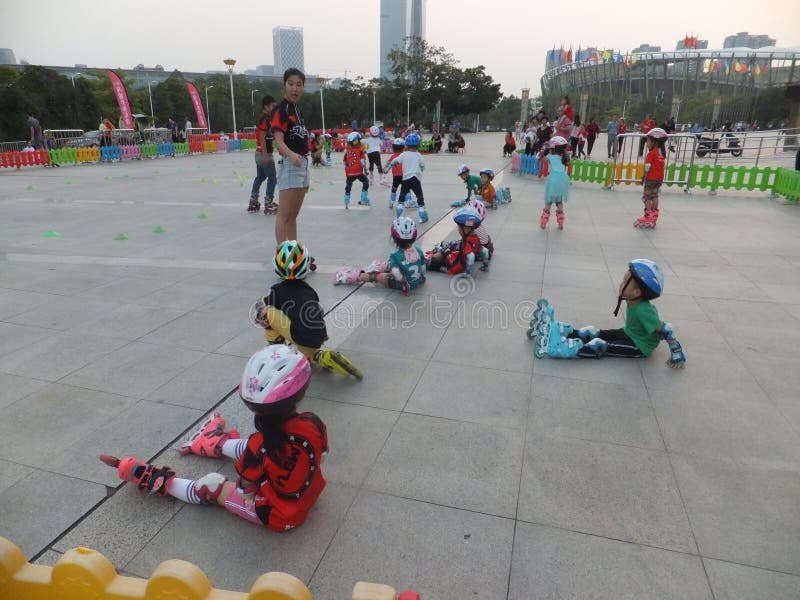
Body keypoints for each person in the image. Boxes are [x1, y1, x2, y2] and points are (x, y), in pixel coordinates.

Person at [100, 345, 329, 531]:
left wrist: (265, 478)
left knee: (212, 485)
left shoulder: (258, 445)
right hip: (310, 493)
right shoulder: (313, 422)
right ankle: (211, 441)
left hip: (277, 514)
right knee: (262, 449)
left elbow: (246, 491)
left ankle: (161, 481)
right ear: (301, 393)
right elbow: (322, 454)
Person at [527, 260, 686, 369]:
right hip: (630, 334)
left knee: (600, 345)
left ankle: (564, 349)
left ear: (637, 292)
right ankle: (565, 333)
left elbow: (665, 329)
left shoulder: (643, 310)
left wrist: (676, 351)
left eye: (625, 282)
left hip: (639, 347)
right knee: (595, 332)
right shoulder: (633, 300)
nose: (620, 284)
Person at [250, 240, 363, 378]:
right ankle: (322, 356)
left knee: (266, 312)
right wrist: (322, 334)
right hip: (316, 337)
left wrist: (260, 309)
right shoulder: (309, 291)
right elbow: (317, 311)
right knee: (309, 353)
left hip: (299, 336)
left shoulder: (277, 290)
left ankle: (277, 354)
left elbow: (264, 303)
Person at [333, 217, 426, 295]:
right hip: (415, 281)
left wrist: (405, 285)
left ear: (394, 238)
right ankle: (379, 267)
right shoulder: (418, 250)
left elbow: (396, 273)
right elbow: (422, 267)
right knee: (390, 265)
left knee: (375, 276)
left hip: (402, 284)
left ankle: (345, 277)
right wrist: (421, 277)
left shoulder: (395, 255)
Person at [271, 68, 311, 247]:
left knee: (293, 215)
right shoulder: (280, 110)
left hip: (302, 164)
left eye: (299, 85)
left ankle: (294, 252)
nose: (295, 88)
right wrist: (291, 154)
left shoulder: (298, 111)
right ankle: (282, 253)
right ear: (284, 85)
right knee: (284, 214)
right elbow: (278, 142)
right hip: (290, 164)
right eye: (291, 84)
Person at [426, 207, 489, 276]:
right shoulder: (476, 238)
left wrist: (468, 273)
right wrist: (485, 265)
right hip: (459, 259)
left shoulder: (467, 242)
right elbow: (485, 251)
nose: (458, 230)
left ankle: (429, 262)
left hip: (454, 267)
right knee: (448, 252)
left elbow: (471, 256)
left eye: (459, 227)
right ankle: (438, 254)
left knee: (433, 264)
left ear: (467, 228)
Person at [383, 132, 427, 222]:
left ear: (406, 145)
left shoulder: (404, 155)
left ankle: (398, 215)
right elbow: (422, 166)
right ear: (418, 145)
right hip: (416, 179)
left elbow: (395, 161)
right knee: (419, 197)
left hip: (406, 179)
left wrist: (388, 167)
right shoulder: (419, 155)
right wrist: (421, 169)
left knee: (401, 198)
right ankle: (422, 216)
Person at [249, 95, 279, 215]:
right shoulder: (265, 119)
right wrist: (266, 154)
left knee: (260, 177)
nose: (274, 108)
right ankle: (268, 202)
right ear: (266, 107)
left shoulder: (267, 118)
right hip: (263, 153)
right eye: (273, 106)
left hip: (259, 153)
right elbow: (262, 138)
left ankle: (253, 200)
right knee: (272, 177)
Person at [634, 128, 667, 228]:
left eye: (648, 141)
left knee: (647, 196)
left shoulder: (651, 153)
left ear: (654, 142)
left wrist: (643, 176)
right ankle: (654, 216)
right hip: (659, 179)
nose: (647, 143)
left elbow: (647, 167)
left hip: (651, 178)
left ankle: (648, 216)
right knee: (654, 196)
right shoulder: (661, 153)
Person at [540, 136, 570, 230]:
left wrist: (544, 148)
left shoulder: (550, 157)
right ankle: (560, 223)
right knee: (559, 201)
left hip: (553, 180)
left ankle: (544, 223)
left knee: (548, 201)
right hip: (563, 180)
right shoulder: (565, 157)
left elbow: (540, 158)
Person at [343, 131, 369, 208]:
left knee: (348, 185)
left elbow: (345, 162)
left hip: (349, 173)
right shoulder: (360, 152)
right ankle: (364, 197)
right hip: (358, 172)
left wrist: (348, 168)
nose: (360, 143)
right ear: (356, 142)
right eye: (359, 141)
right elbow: (363, 162)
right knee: (366, 181)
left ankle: (346, 201)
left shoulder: (347, 152)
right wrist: (366, 170)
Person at [387, 137, 405, 210]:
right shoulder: (404, 156)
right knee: (405, 189)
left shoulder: (393, 156)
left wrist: (385, 170)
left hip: (396, 176)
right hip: (404, 176)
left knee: (394, 189)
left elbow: (388, 165)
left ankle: (391, 202)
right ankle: (405, 202)